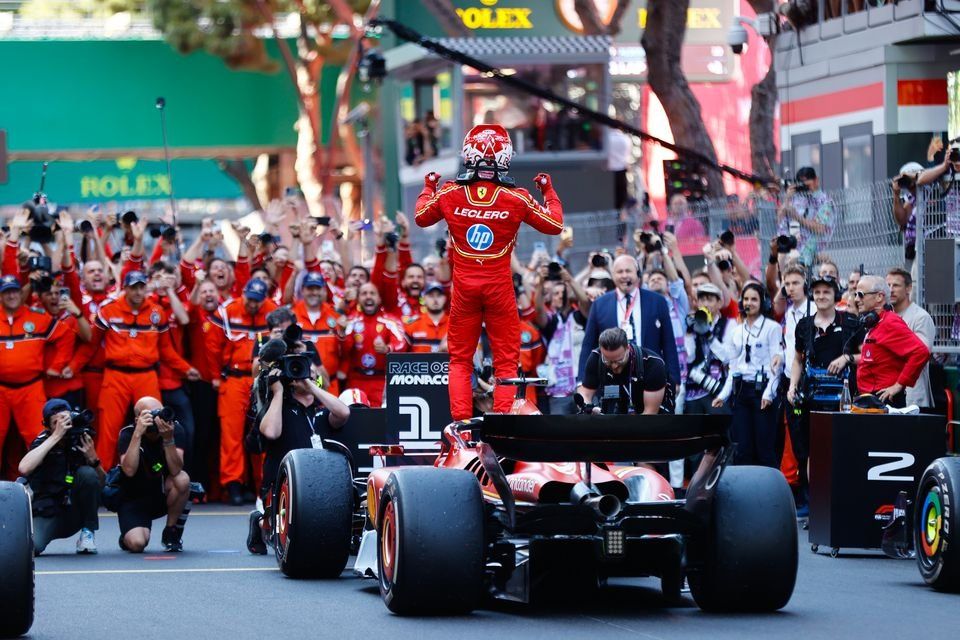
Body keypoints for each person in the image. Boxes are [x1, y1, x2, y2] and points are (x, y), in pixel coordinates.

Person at [414, 123, 564, 420]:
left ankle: (461, 428)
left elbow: (420, 217)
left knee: (459, 360)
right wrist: (549, 190)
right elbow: (555, 224)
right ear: (505, 158)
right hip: (499, 290)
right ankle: (502, 426)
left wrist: (429, 185)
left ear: (468, 155)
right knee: (506, 361)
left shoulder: (449, 192)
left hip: (465, 291)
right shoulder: (517, 198)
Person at [71, 270, 200, 469]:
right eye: (133, 288)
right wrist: (72, 367)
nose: (138, 292)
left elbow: (166, 350)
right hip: (115, 376)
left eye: (141, 287)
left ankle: (152, 477)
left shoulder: (156, 312)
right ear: (125, 288)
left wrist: (186, 369)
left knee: (152, 428)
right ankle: (103, 479)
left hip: (146, 376)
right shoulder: (109, 311)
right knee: (109, 431)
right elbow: (91, 345)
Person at [247, 344, 350, 555]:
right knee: (286, 540)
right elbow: (271, 433)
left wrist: (311, 386)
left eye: (310, 372)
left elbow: (344, 413)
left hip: (321, 483)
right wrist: (277, 393)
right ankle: (259, 522)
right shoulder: (280, 408)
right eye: (299, 371)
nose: (304, 375)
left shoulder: (323, 411)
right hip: (283, 485)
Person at [785, 274, 860, 513]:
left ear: (835, 293)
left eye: (826, 291)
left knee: (841, 451)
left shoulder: (850, 322)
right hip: (812, 399)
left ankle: (842, 506)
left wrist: (846, 358)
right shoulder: (804, 326)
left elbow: (868, 355)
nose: (821, 296)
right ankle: (816, 506)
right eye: (816, 292)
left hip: (843, 399)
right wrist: (792, 386)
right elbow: (798, 360)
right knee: (811, 453)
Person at [208, 278, 277, 505]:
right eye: (250, 299)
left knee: (264, 432)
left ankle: (263, 484)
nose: (253, 305)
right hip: (235, 378)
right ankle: (233, 484)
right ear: (243, 293)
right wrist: (216, 376)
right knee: (231, 434)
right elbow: (212, 347)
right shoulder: (228, 312)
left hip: (263, 378)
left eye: (258, 301)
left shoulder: (272, 312)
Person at [0, 274, 72, 463]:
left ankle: (43, 488)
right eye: (6, 292)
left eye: (14, 291)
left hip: (30, 388)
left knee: (38, 438)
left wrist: (56, 366)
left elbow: (66, 336)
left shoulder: (37, 317)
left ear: (21, 292)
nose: (11, 296)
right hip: (1, 389)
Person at [579, 254, 681, 387]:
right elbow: (588, 345)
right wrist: (582, 380)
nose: (624, 275)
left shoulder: (657, 301)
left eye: (628, 271)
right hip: (613, 377)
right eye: (620, 272)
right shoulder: (599, 304)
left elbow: (668, 343)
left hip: (651, 375)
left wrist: (674, 379)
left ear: (638, 274)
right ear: (613, 276)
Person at [18, 399, 104, 555]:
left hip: (73, 513)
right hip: (48, 512)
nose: (63, 426)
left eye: (66, 421)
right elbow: (24, 468)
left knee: (88, 474)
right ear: (48, 426)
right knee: (34, 547)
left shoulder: (80, 439)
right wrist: (56, 437)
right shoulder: (43, 441)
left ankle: (88, 532)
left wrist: (94, 461)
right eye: (57, 423)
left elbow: (102, 484)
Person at [716, 282, 783, 467]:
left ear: (763, 302)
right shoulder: (737, 331)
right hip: (740, 392)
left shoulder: (772, 328)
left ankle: (769, 491)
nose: (749, 303)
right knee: (742, 448)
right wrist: (724, 394)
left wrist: (769, 393)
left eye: (754, 299)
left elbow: (776, 366)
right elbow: (733, 366)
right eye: (746, 299)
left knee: (764, 448)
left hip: (762, 391)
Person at [116, 396, 191, 553]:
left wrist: (168, 440)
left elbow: (176, 470)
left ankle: (171, 531)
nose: (158, 417)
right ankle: (127, 536)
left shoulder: (173, 429)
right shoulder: (128, 433)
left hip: (161, 494)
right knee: (137, 544)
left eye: (159, 412)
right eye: (151, 414)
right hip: (134, 498)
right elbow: (129, 470)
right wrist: (138, 433)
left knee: (183, 479)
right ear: (137, 418)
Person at [851, 275, 929, 408]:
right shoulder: (875, 323)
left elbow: (921, 352)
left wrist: (898, 385)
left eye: (860, 294)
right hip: (871, 400)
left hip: (884, 401)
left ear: (879, 297)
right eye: (855, 294)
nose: (856, 299)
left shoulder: (889, 322)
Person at [341, 283, 408, 406]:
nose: (368, 297)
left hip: (381, 381)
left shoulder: (390, 320)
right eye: (364, 293)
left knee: (379, 419)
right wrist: (341, 332)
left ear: (379, 298)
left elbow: (401, 343)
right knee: (356, 418)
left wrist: (388, 348)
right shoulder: (350, 321)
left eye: (372, 293)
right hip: (356, 380)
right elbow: (344, 350)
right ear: (358, 299)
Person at [534, 266, 590, 414]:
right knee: (560, 434)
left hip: (583, 386)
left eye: (563, 292)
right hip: (558, 390)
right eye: (556, 293)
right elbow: (538, 310)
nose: (560, 296)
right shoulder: (552, 321)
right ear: (550, 298)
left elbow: (584, 300)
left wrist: (569, 279)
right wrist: (540, 283)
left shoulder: (579, 316)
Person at [578, 327, 667, 415]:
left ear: (627, 348)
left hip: (651, 420)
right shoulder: (596, 358)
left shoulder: (652, 364)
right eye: (607, 361)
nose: (614, 366)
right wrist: (588, 407)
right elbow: (585, 392)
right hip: (612, 418)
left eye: (619, 360)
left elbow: (650, 412)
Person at [887, 268, 935, 409]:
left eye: (896, 285)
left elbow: (921, 354)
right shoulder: (886, 317)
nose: (891, 290)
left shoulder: (920, 317)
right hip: (890, 393)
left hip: (914, 397)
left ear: (908, 288)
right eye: (888, 285)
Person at [683, 283, 733, 415]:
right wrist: (689, 332)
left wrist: (708, 334)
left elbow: (727, 357)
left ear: (719, 303)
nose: (705, 304)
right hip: (693, 391)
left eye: (710, 300)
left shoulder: (729, 324)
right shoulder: (692, 322)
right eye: (702, 300)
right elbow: (689, 358)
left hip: (717, 390)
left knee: (719, 430)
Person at [292, 271, 343, 394]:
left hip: (330, 383)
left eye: (318, 288)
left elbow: (346, 350)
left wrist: (344, 370)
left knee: (330, 414)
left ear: (324, 291)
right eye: (310, 288)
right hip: (301, 386)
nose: (314, 292)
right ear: (303, 290)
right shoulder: (292, 315)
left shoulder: (336, 316)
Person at [776, 167, 834, 267]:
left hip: (810, 252)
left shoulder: (824, 201)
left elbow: (820, 228)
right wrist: (787, 198)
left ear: (816, 180)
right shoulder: (796, 199)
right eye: (801, 184)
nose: (805, 187)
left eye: (807, 184)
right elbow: (779, 220)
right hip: (788, 251)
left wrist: (798, 218)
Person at [404, 282, 450, 353]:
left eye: (439, 295)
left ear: (444, 298)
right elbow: (401, 355)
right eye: (431, 296)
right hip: (418, 363)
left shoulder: (453, 324)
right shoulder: (412, 324)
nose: (435, 299)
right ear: (424, 299)